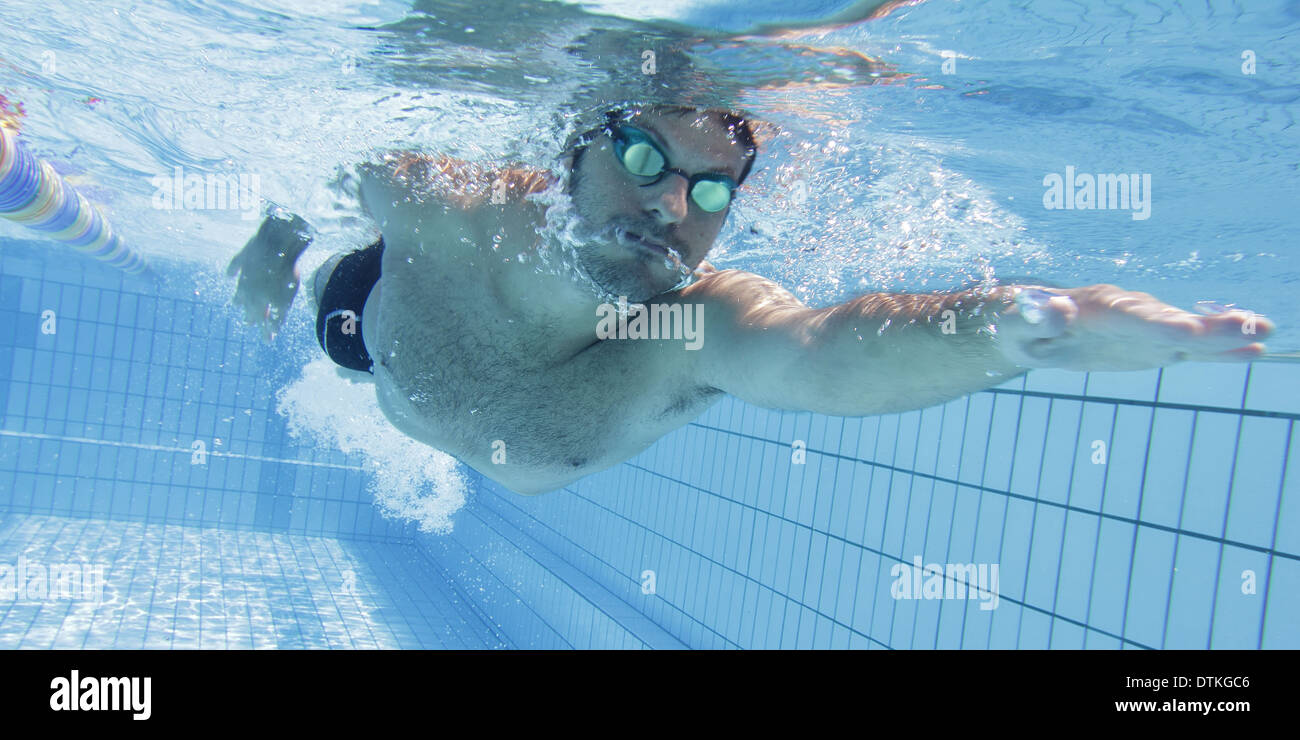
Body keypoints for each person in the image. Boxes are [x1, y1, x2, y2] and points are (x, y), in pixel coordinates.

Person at [227, 104, 1273, 495]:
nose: (670, 206)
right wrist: (276, 238)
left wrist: (1010, 331)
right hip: (371, 330)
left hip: (433, 391)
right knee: (337, 310)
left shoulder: (687, 327)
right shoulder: (448, 213)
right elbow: (337, 165)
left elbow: (820, 355)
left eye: (711, 189)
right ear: (571, 149)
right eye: (645, 156)